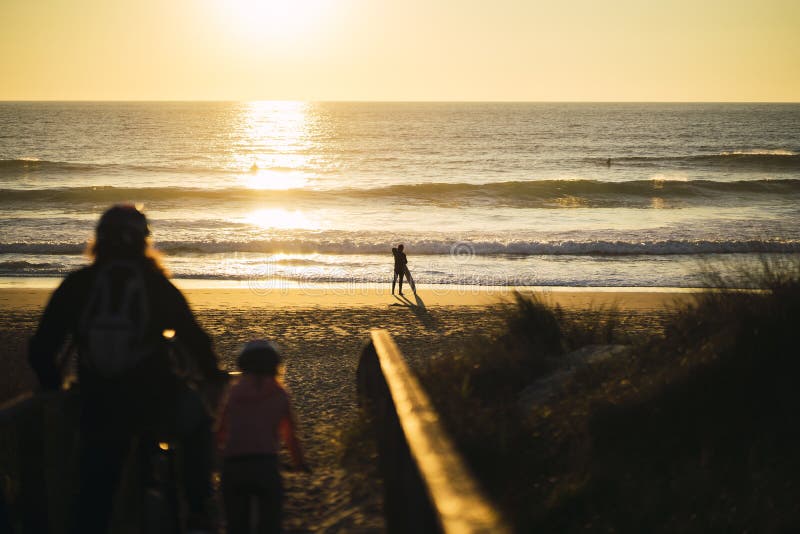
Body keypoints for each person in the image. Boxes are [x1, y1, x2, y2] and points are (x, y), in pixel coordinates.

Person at [27, 204, 227, 533]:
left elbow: (42, 348)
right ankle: (199, 506)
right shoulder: (155, 284)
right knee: (197, 422)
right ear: (143, 241)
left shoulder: (78, 284)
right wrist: (212, 374)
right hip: (155, 399)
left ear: (99, 240)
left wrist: (53, 386)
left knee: (95, 490)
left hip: (98, 403)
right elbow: (193, 336)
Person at [217, 340, 309, 534]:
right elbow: (290, 436)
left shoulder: (234, 392)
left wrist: (217, 458)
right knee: (270, 523)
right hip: (265, 465)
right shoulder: (279, 394)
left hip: (234, 465)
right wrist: (299, 463)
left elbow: (222, 431)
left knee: (235, 524)